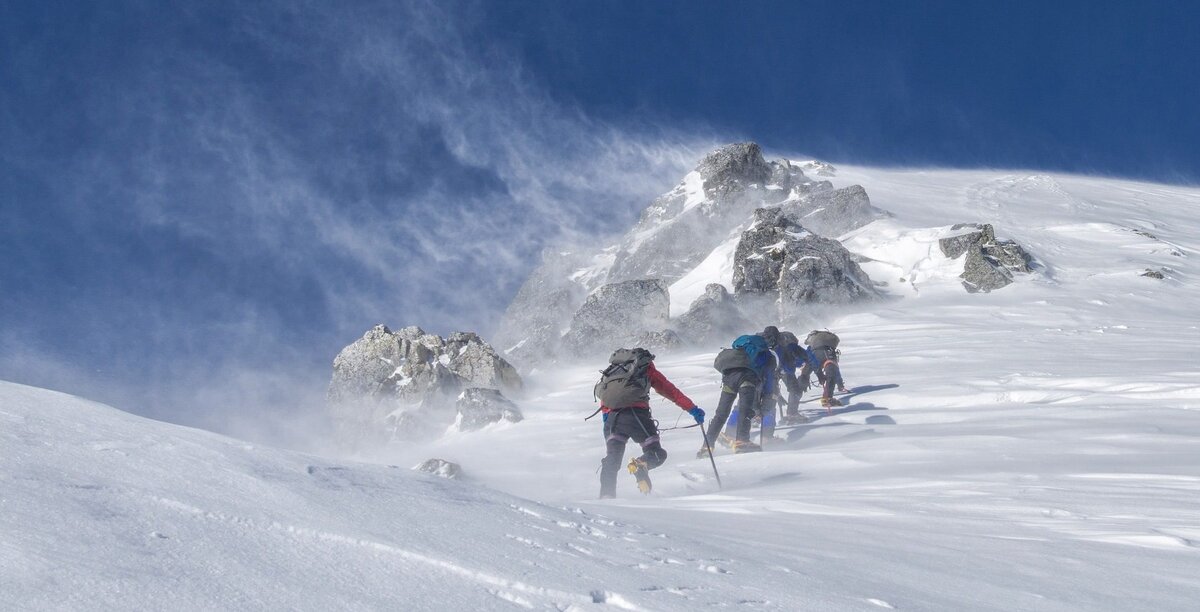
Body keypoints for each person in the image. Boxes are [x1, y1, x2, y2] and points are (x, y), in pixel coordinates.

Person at [595, 348, 704, 498]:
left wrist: (607, 424)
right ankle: (641, 464)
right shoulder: (645, 368)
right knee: (656, 453)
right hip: (637, 416)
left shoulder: (612, 372)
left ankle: (606, 497)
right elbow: (671, 391)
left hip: (612, 420)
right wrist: (693, 409)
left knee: (612, 460)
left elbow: (605, 400)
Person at [701, 333, 776, 456]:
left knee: (721, 413)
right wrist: (765, 403)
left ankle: (707, 446)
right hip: (747, 378)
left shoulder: (742, 349)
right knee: (745, 411)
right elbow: (768, 383)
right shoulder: (769, 357)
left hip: (729, 378)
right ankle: (742, 441)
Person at [773, 328, 821, 425]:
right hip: (786, 371)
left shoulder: (773, 347)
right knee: (795, 390)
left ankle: (757, 415)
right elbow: (807, 357)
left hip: (770, 371)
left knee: (769, 392)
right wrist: (818, 372)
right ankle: (792, 414)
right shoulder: (792, 346)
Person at [799, 329, 847, 408]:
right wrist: (840, 384)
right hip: (828, 355)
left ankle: (795, 396)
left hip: (814, 356)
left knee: (804, 375)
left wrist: (818, 374)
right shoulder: (829, 348)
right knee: (831, 372)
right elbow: (835, 371)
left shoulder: (812, 347)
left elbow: (809, 359)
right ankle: (827, 399)